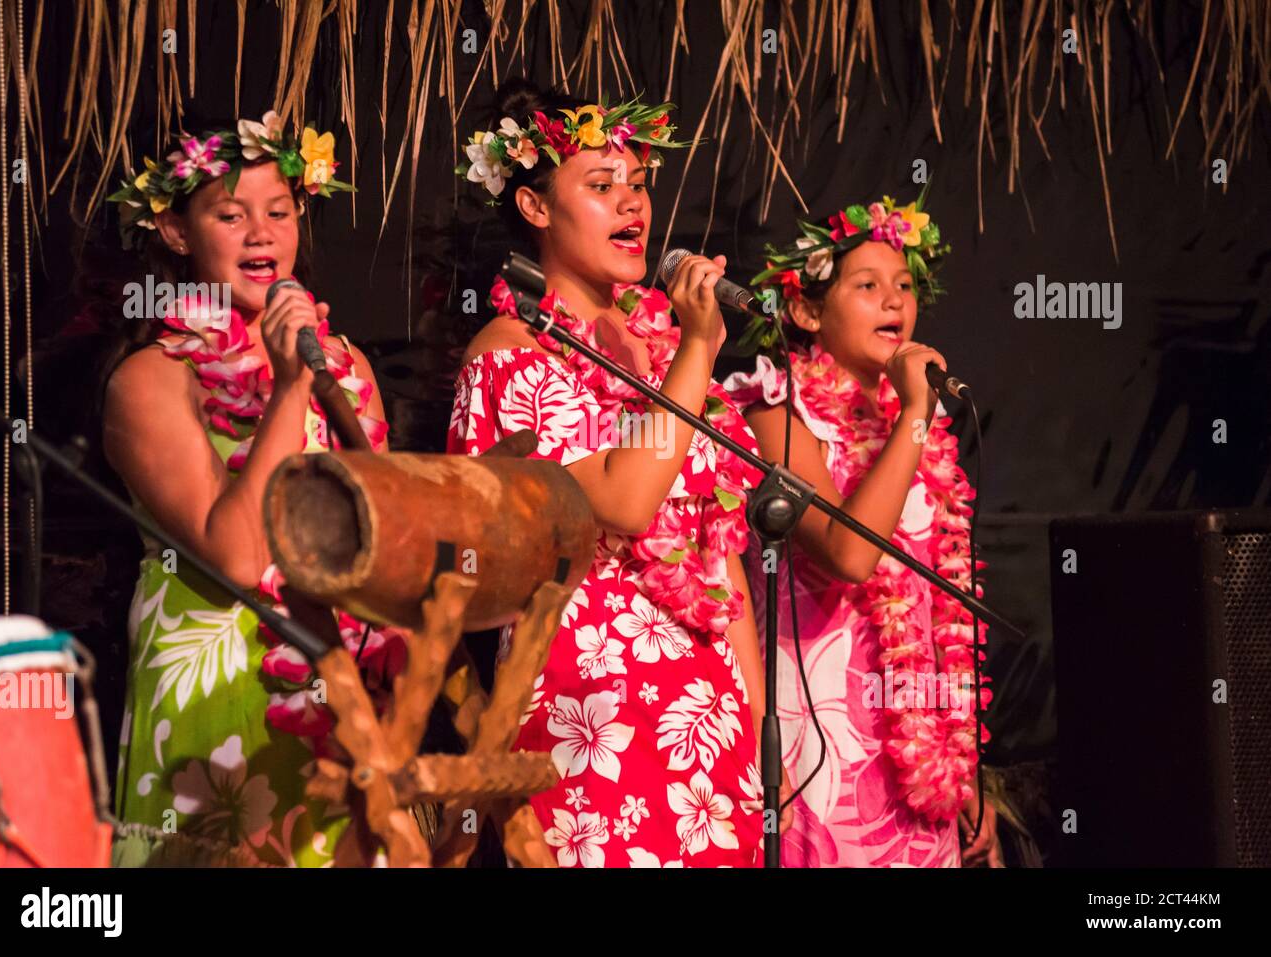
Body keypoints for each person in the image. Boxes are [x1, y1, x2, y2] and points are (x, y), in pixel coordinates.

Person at [448, 79, 787, 867]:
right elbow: (627, 503)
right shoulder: (510, 354)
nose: (632, 204)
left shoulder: (657, 350)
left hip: (706, 712)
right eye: (601, 186)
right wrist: (702, 349)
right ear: (535, 208)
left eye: (637, 184)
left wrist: (754, 702)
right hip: (588, 720)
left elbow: (716, 543)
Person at [101, 113, 408, 866]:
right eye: (230, 215)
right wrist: (289, 391)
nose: (261, 234)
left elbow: (390, 536)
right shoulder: (149, 380)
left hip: (339, 686)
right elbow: (235, 555)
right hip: (216, 684)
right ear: (176, 232)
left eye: (279, 211)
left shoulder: (349, 366)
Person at [723, 190, 1000, 866]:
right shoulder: (776, 415)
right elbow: (850, 554)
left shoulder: (918, 436)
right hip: (817, 742)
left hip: (913, 753)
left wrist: (957, 766)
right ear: (806, 310)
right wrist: (913, 414)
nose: (894, 302)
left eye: (904, 286)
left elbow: (936, 611)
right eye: (868, 285)